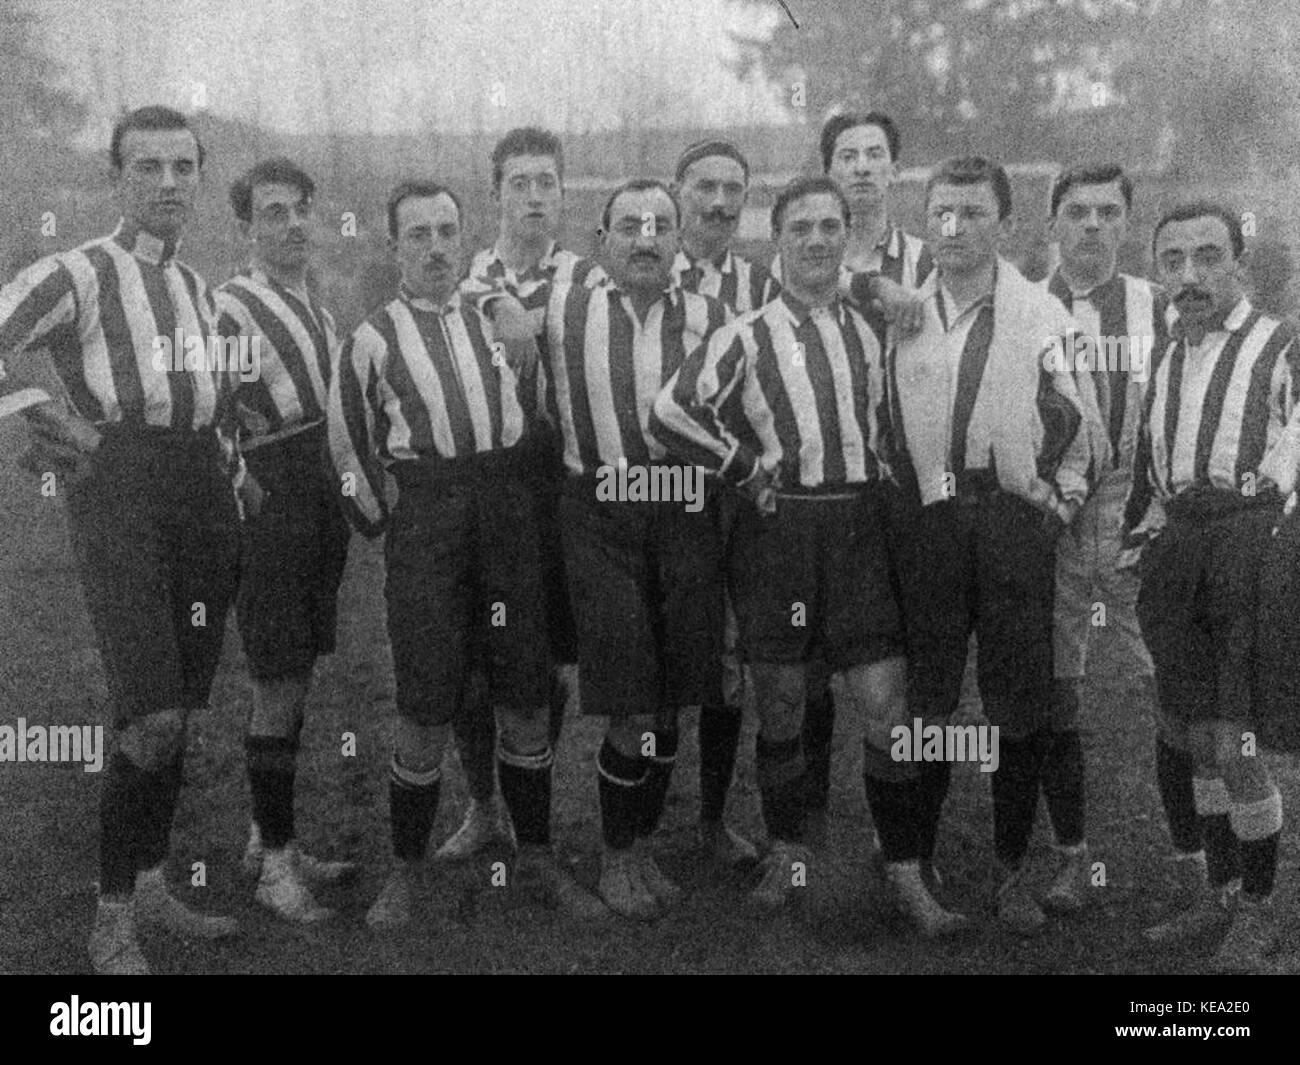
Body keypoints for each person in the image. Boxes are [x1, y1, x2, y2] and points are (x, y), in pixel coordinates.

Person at [651, 176, 960, 930]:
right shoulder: (745, 334)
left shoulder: (875, 322)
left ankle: (905, 872)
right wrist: (744, 467)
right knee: (784, 704)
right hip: (778, 536)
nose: (818, 240)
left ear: (844, 236)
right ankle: (790, 854)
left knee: (887, 709)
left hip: (860, 530)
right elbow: (668, 414)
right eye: (803, 228)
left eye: (832, 226)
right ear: (777, 240)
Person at [0, 105, 253, 973]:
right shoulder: (79, 270)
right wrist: (51, 419)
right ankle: (109, 916)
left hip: (201, 496)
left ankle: (149, 881)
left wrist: (233, 470)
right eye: (148, 167)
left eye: (184, 167)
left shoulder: (199, 290)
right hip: (121, 493)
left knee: (177, 709)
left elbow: (205, 404)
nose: (169, 183)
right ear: (118, 177)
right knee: (149, 713)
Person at [327, 180, 605, 928]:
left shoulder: (496, 320)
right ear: (394, 247)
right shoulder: (372, 338)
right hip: (429, 522)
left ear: (464, 237)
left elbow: (541, 405)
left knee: (524, 693)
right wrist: (381, 519)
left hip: (507, 514)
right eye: (418, 234)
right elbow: (347, 445)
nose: (436, 246)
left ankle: (538, 857)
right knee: (424, 702)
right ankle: (406, 871)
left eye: (448, 231)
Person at [885, 157, 1103, 935]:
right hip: (933, 521)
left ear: (1003, 224)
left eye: (972, 213)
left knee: (1018, 705)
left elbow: (1088, 440)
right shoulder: (905, 313)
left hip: (1013, 524)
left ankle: (1012, 871)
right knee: (931, 698)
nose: (953, 227)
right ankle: (921, 860)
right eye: (941, 212)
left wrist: (1053, 513)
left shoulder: (1046, 318)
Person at [543, 179, 727, 919]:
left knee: (674, 698)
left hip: (685, 507)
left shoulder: (715, 316)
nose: (645, 238)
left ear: (679, 237)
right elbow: (481, 286)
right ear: (601, 239)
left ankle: (643, 843)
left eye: (660, 226)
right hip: (601, 510)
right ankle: (616, 858)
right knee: (629, 700)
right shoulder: (561, 306)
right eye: (629, 226)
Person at [1122, 201, 1297, 972]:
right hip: (1180, 547)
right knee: (1189, 733)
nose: (1188, 275)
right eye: (1173, 260)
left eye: (1207, 256)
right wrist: (1148, 533)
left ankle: (1260, 911)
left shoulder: (1281, 344)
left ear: (1240, 263)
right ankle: (1221, 892)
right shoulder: (1167, 350)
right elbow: (1155, 461)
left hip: (1252, 549)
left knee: (1236, 739)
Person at [437, 127, 603, 862]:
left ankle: (528, 802)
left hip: (564, 494)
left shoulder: (590, 282)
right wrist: (498, 311)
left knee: (548, 669)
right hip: (482, 495)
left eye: (547, 182)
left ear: (563, 193)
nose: (534, 196)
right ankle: (482, 805)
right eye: (519, 183)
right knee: (474, 669)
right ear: (496, 193)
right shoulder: (463, 282)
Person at [773, 112, 930, 850]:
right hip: (811, 506)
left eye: (876, 153)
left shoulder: (930, 258)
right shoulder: (794, 259)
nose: (863, 166)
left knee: (899, 678)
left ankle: (906, 841)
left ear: (894, 168)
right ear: (828, 169)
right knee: (803, 681)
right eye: (848, 155)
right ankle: (805, 835)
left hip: (906, 497)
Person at [216, 157, 357, 923]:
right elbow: (205, 412)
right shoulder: (230, 306)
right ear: (246, 227)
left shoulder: (315, 303)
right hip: (269, 500)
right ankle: (274, 867)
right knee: (276, 678)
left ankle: (264, 838)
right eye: (275, 212)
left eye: (301, 208)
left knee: (296, 670)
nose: (294, 222)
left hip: (317, 491)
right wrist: (246, 478)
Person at [1039, 163, 1165, 912]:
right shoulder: (1023, 304)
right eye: (1077, 211)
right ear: (1053, 221)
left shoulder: (1154, 304)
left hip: (1133, 505)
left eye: (1107, 212)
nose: (1092, 225)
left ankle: (1201, 861)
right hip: (1053, 514)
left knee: (1170, 683)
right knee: (1057, 691)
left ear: (1125, 223)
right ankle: (1069, 856)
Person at [668, 138, 777, 866]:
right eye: (704, 186)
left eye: (732, 188)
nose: (717, 201)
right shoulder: (635, 264)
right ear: (679, 192)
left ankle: (710, 819)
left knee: (729, 660)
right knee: (655, 656)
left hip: (735, 496)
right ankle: (633, 830)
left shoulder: (761, 283)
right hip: (654, 494)